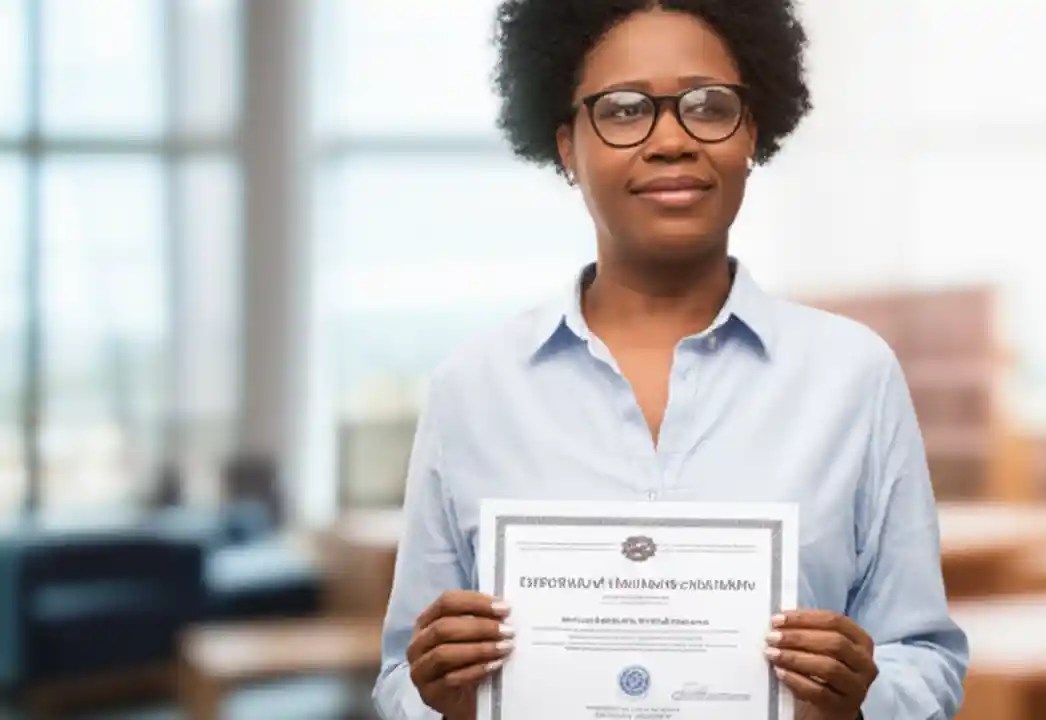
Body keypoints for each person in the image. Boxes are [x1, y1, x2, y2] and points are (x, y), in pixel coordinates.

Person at [374, 1, 969, 718]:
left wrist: (864, 697)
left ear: (751, 130)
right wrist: (438, 695)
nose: (671, 140)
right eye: (624, 110)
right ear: (566, 145)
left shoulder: (853, 377)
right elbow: (399, 682)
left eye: (709, 106)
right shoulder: (471, 390)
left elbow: (927, 662)